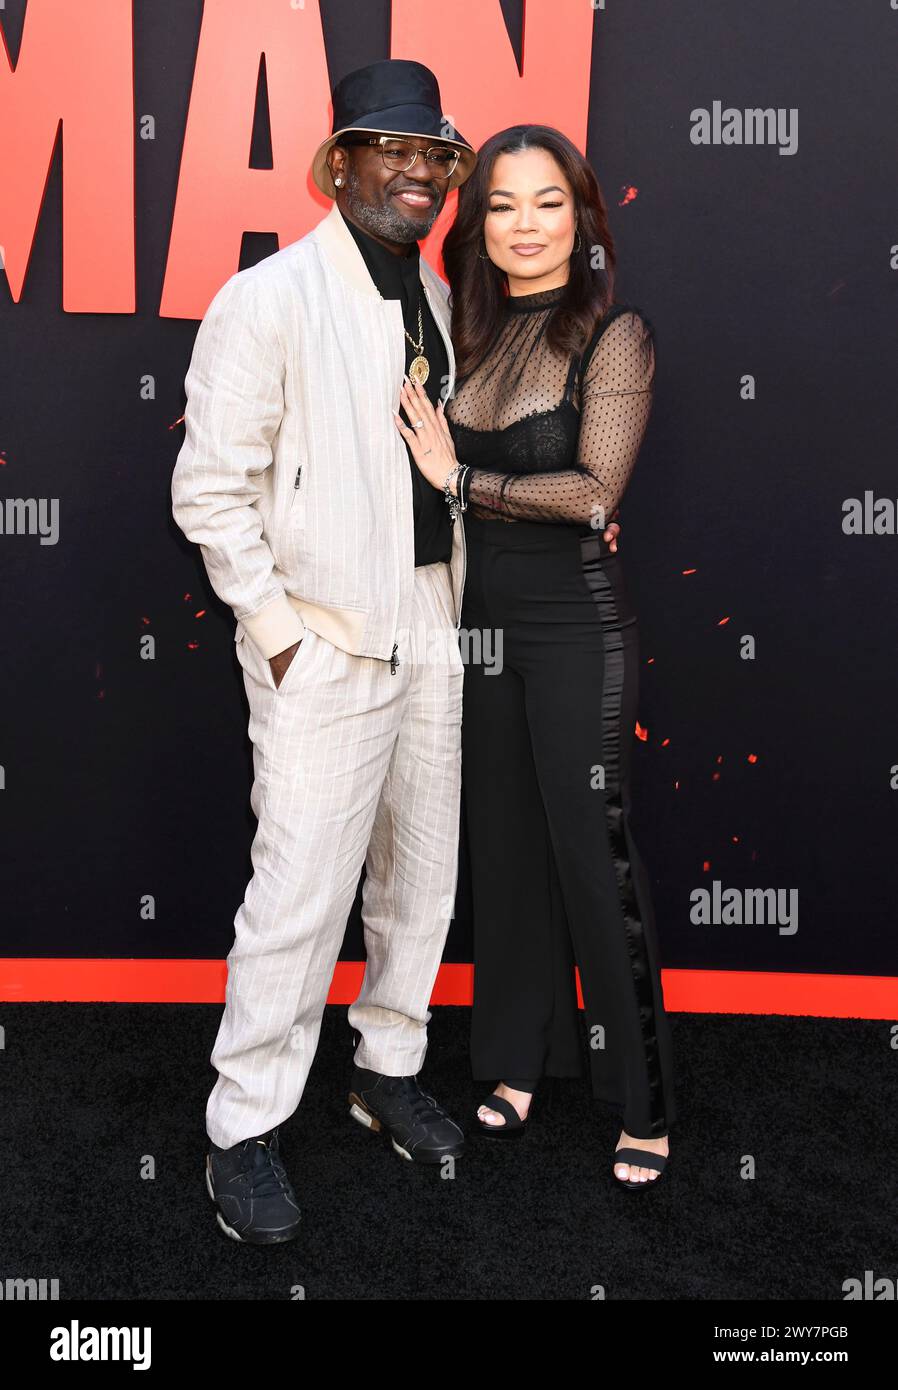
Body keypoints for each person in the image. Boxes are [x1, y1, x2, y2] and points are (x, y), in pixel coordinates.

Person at [172, 60, 492, 1245]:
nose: (417, 173)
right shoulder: (267, 298)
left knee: (422, 874)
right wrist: (281, 637)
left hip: (430, 620)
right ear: (343, 161)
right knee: (299, 896)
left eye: (434, 158)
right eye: (392, 151)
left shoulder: (434, 297)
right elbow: (209, 492)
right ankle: (243, 1127)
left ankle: (387, 1062)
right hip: (323, 637)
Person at [394, 124, 676, 1188]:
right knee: (503, 850)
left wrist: (455, 479)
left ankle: (641, 1101)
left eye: (546, 202)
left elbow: (594, 492)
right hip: (478, 621)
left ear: (581, 214)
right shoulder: (458, 326)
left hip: (576, 626)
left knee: (592, 857)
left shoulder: (617, 334)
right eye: (503, 204)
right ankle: (515, 1062)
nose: (523, 225)